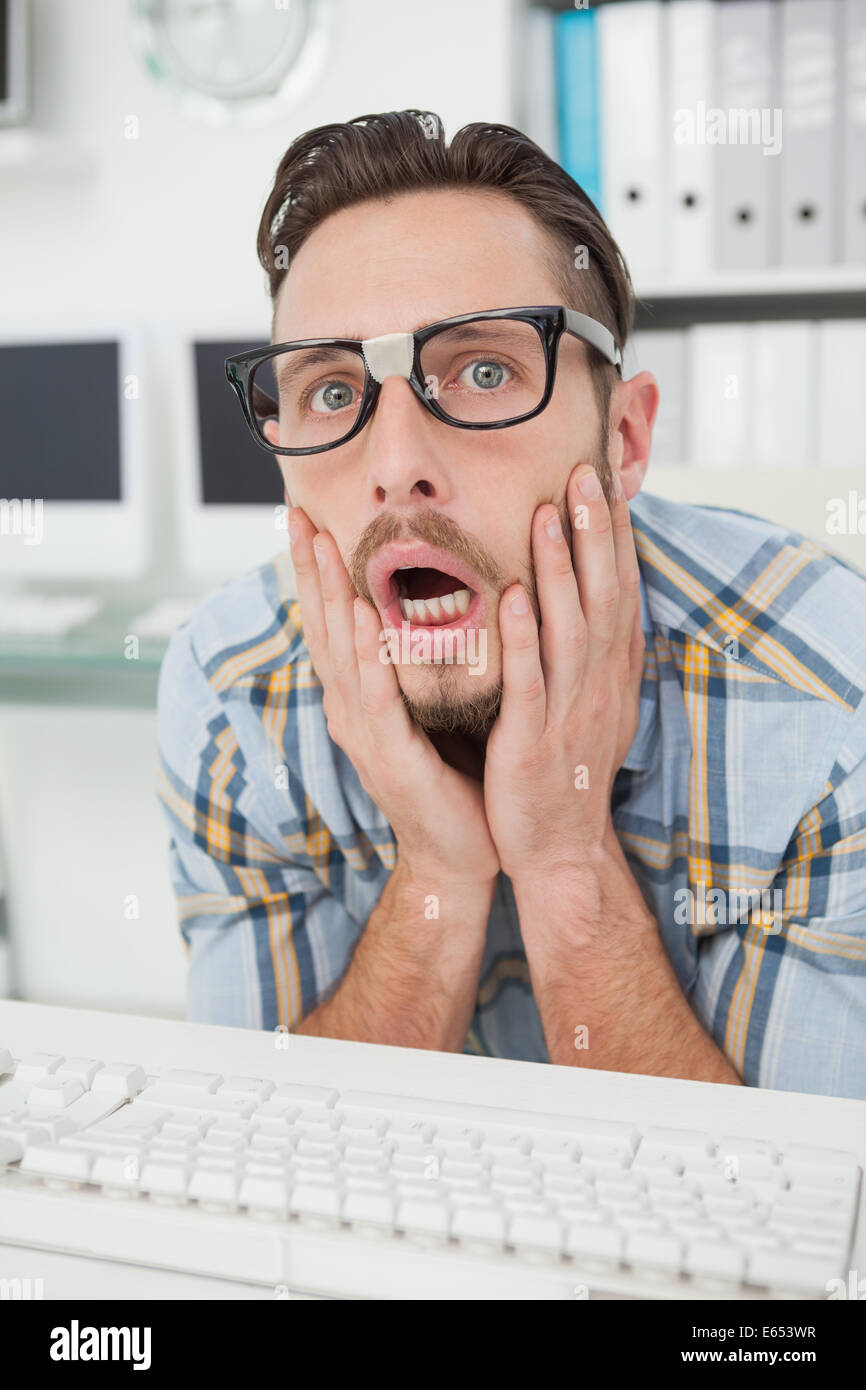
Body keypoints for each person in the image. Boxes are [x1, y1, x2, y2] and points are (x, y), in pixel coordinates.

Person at [156, 111, 866, 1096]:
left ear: (620, 441)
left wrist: (567, 859)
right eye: (328, 391)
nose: (396, 469)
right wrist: (437, 871)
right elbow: (265, 1164)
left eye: (482, 371)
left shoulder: (834, 708)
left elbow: (798, 1225)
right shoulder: (231, 692)